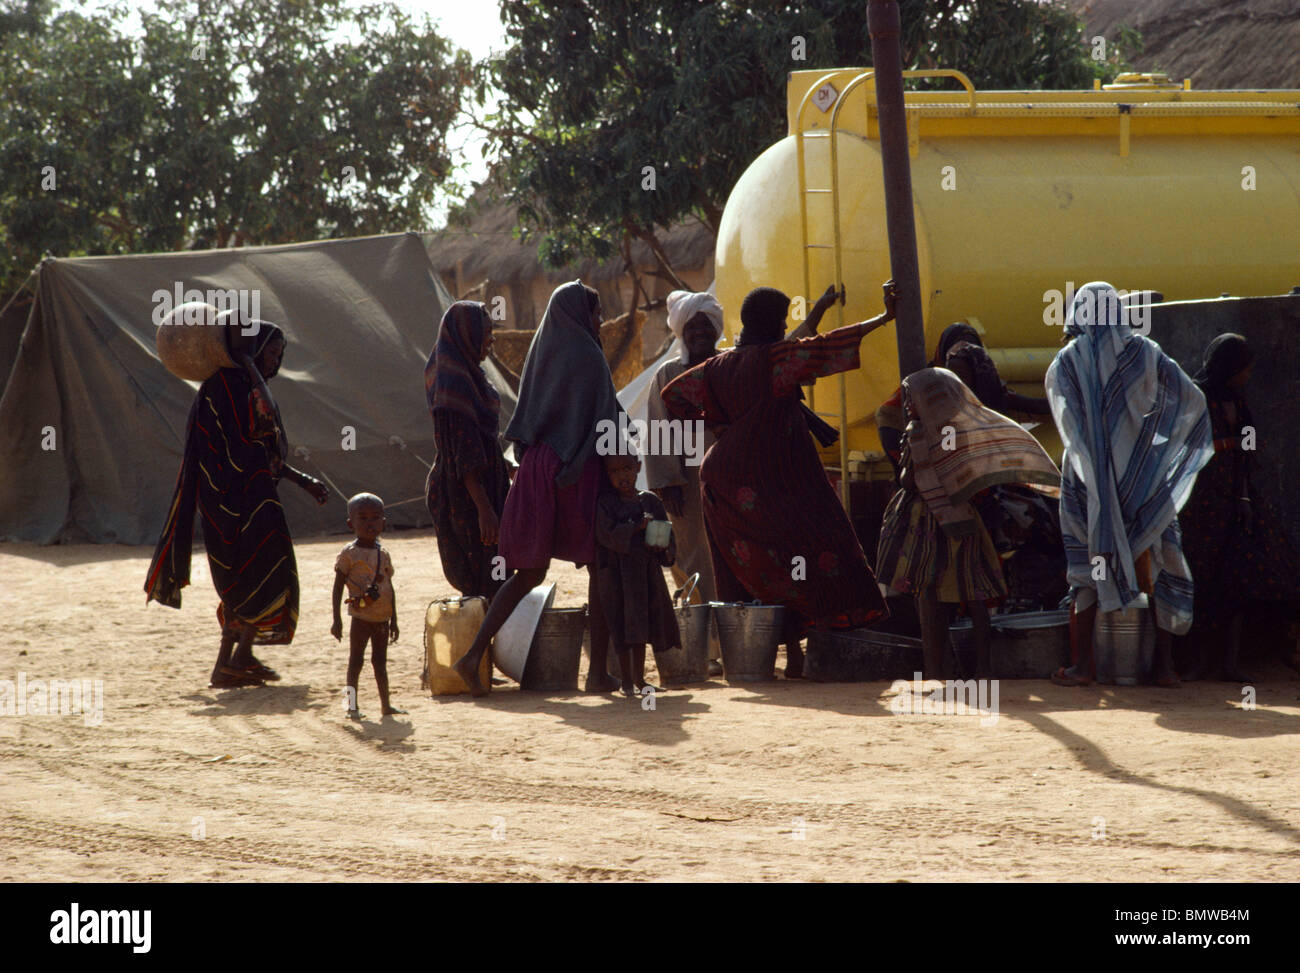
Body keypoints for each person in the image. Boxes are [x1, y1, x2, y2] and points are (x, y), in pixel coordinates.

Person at [662, 280, 897, 678]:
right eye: (783, 319)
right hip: (778, 479)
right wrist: (887, 317)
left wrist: (720, 427)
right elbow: (828, 346)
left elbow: (675, 395)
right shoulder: (776, 360)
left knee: (759, 568)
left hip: (723, 482)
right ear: (772, 322)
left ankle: (768, 656)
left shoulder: (717, 367)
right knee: (816, 551)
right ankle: (809, 653)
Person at [453, 281, 623, 697]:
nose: (599, 321)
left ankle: (472, 655)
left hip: (535, 470)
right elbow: (605, 421)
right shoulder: (589, 354)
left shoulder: (541, 352)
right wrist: (582, 465)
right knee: (600, 566)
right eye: (596, 313)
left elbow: (530, 422)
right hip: (573, 472)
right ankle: (597, 672)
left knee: (528, 572)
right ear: (581, 315)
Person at [1045, 282, 1212, 688]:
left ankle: (1083, 667)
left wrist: (1095, 460)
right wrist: (1153, 438)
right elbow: (1192, 402)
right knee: (1161, 561)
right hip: (1145, 478)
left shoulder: (1067, 362)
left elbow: (1067, 423)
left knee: (1086, 567)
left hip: (1088, 481)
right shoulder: (1148, 354)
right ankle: (1164, 669)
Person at [145, 320, 329, 689]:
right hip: (233, 499)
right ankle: (238, 659)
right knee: (260, 571)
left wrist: (302, 481)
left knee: (247, 574)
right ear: (252, 350)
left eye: (280, 355)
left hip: (250, 494)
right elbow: (238, 448)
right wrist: (247, 366)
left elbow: (261, 447)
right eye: (272, 353)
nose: (276, 363)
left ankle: (231, 664)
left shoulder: (240, 384)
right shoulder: (226, 388)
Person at [875, 368, 1061, 677]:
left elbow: (910, 480)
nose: (907, 405)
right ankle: (983, 668)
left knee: (929, 595)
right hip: (963, 519)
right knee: (974, 592)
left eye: (912, 399)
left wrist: (909, 456)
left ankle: (936, 669)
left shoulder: (919, 432)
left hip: (927, 523)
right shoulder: (960, 429)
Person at [1179, 333, 1300, 679]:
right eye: (1242, 370)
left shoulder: (1239, 402)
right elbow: (1191, 448)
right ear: (1227, 368)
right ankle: (1195, 663)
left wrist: (1244, 495)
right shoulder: (1197, 399)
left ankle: (1230, 665)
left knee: (1237, 582)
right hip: (1200, 505)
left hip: (1234, 503)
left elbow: (1246, 450)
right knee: (1199, 582)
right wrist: (1232, 444)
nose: (1246, 377)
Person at [644, 290, 724, 670]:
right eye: (692, 328)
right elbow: (658, 431)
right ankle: (706, 647)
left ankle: (733, 640)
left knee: (729, 554)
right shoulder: (667, 374)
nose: (700, 333)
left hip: (728, 478)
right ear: (681, 332)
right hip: (686, 484)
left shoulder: (729, 365)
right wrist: (667, 483)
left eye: (705, 326)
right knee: (692, 556)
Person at [875, 322, 1051, 479]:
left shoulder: (983, 380)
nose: (961, 370)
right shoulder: (930, 384)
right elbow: (945, 441)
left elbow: (1024, 403)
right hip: (906, 441)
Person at [425, 301, 513, 599]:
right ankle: (481, 644)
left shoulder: (469, 374)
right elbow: (464, 454)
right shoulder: (454, 382)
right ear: (467, 334)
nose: (492, 339)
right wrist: (484, 510)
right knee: (483, 582)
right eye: (486, 332)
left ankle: (486, 642)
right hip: (466, 496)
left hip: (481, 490)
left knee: (493, 577)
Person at [596, 453, 681, 697]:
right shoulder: (606, 502)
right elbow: (605, 534)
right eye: (614, 471)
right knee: (621, 625)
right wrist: (636, 527)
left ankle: (640, 679)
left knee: (641, 625)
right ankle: (626, 681)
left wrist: (661, 545)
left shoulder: (650, 501)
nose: (622, 476)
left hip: (645, 575)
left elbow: (667, 536)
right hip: (616, 576)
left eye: (627, 469)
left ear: (638, 468)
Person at [331, 493, 403, 720]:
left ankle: (386, 705)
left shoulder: (384, 553)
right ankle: (351, 706)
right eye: (363, 518)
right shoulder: (349, 554)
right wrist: (337, 619)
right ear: (351, 523)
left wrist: (394, 620)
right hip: (360, 618)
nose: (370, 523)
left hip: (382, 618)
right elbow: (337, 588)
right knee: (356, 662)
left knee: (380, 663)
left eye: (375, 518)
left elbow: (390, 588)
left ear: (384, 521)